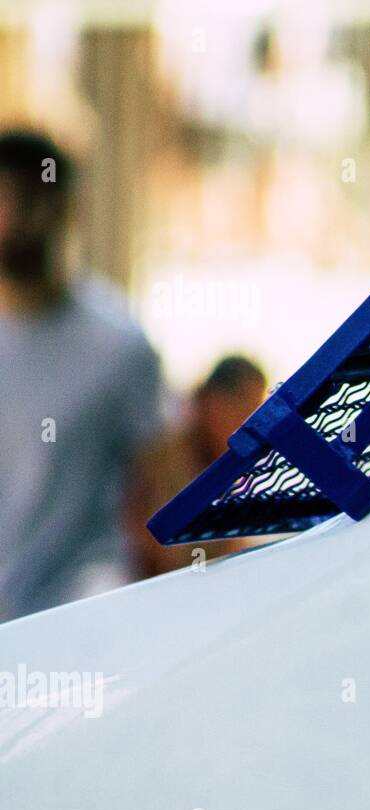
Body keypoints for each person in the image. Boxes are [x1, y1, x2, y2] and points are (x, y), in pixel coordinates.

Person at [0, 130, 163, 623]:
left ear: (67, 207)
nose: (11, 216)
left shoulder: (121, 347)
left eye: (28, 198)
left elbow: (166, 493)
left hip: (77, 628)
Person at [126, 355, 267, 578]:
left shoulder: (228, 470)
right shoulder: (162, 459)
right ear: (211, 401)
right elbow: (149, 549)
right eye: (241, 407)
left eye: (254, 411)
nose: (247, 423)